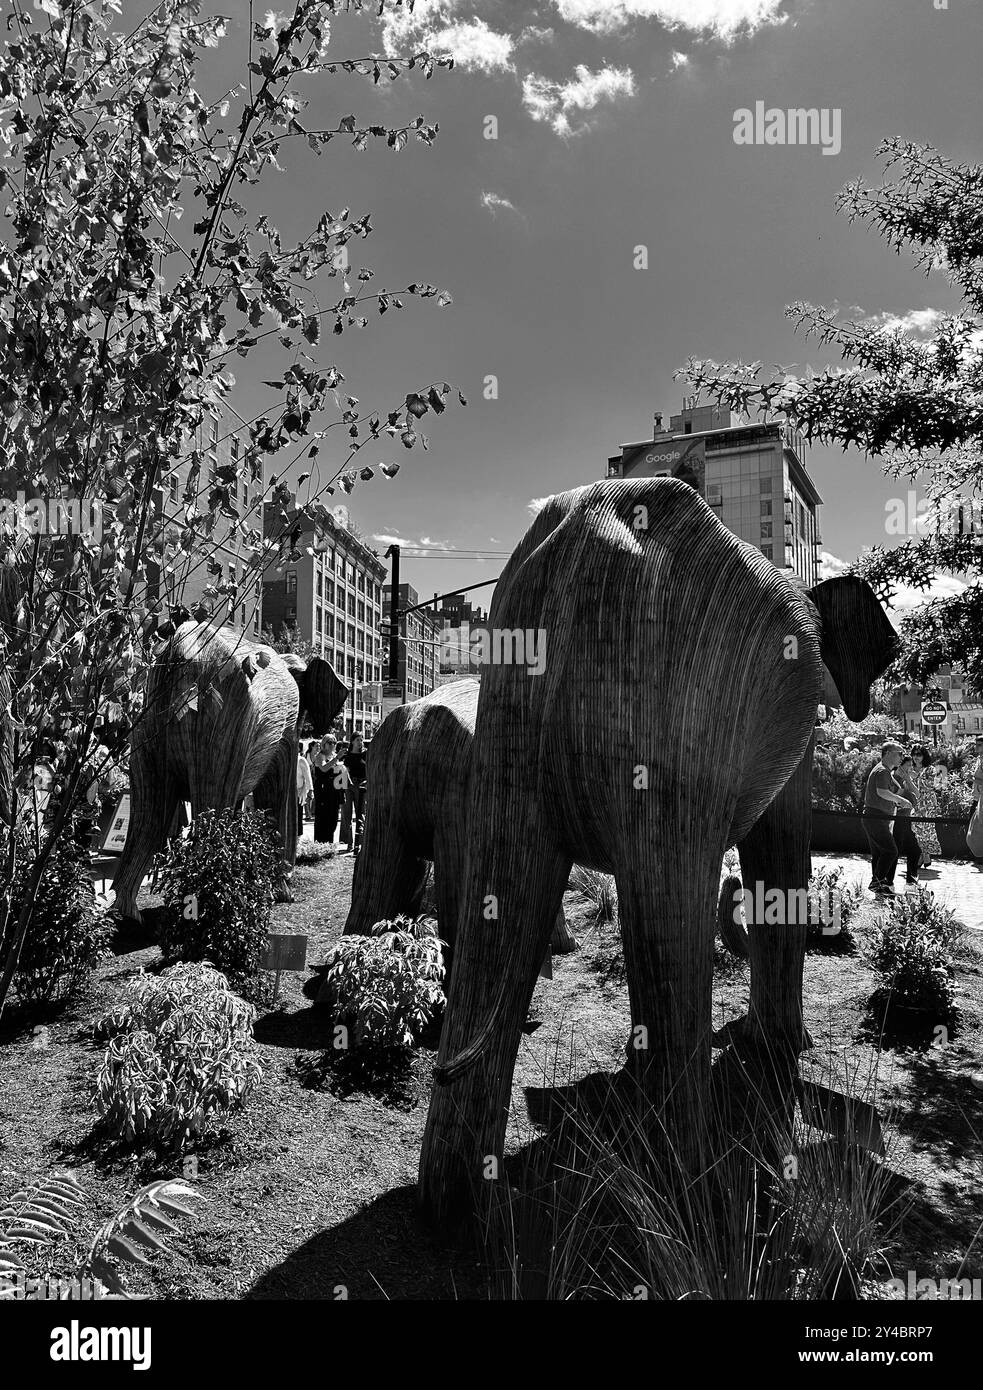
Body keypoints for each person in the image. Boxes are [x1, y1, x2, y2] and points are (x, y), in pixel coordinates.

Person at [861, 742, 913, 895]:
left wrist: (898, 800)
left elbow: (889, 792)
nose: (902, 757)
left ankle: (878, 884)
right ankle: (876, 882)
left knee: (880, 853)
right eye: (900, 753)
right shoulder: (882, 771)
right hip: (875, 818)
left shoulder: (885, 771)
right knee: (891, 851)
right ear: (888, 753)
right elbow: (882, 792)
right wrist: (901, 800)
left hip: (877, 818)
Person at [892, 754, 925, 885]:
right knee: (896, 848)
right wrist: (903, 784)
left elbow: (917, 794)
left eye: (912, 766)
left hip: (909, 817)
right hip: (898, 817)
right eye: (908, 765)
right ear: (901, 765)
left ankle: (911, 878)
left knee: (915, 848)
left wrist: (908, 780)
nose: (911, 768)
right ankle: (887, 879)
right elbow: (895, 796)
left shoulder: (908, 778)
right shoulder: (894, 777)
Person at [311, 736, 346, 845]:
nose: (333, 745)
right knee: (322, 819)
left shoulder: (335, 756)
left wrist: (342, 792)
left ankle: (329, 845)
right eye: (330, 742)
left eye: (334, 742)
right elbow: (323, 768)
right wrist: (336, 759)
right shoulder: (320, 756)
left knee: (333, 819)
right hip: (322, 791)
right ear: (324, 743)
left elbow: (340, 775)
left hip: (334, 791)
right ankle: (320, 845)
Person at [341, 733, 367, 854]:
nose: (360, 742)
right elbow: (345, 771)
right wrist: (348, 782)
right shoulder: (348, 755)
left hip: (361, 785)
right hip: (349, 785)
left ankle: (358, 844)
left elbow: (369, 769)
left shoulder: (365, 754)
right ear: (352, 741)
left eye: (361, 740)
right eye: (357, 740)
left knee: (360, 815)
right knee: (347, 814)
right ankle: (349, 843)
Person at [296, 746, 314, 836]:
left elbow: (308, 777)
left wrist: (310, 790)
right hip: (286, 793)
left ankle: (298, 838)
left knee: (298, 816)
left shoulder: (301, 760)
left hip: (299, 792)